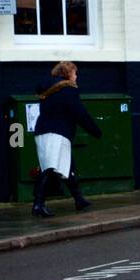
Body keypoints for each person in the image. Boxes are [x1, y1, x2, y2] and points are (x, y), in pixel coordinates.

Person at [32, 61, 102, 218]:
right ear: (68, 73)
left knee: (67, 166)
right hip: (57, 132)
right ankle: (38, 205)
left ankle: (79, 200)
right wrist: (95, 131)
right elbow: (80, 113)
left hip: (43, 131)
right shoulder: (67, 90)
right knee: (50, 169)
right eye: (75, 73)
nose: (76, 77)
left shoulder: (47, 89)